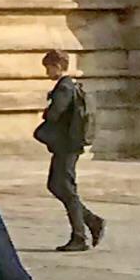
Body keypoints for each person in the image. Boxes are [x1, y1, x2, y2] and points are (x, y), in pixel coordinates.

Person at [36, 48, 103, 249]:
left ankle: (80, 235)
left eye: (48, 68)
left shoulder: (64, 87)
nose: (47, 73)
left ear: (57, 66)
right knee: (56, 185)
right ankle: (90, 221)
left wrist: (47, 112)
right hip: (67, 145)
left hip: (67, 145)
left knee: (65, 188)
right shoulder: (71, 85)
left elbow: (55, 114)